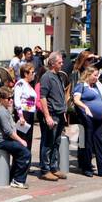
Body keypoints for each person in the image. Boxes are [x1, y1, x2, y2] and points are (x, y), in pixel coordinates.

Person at [72, 64, 102, 178]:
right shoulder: (81, 85)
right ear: (88, 74)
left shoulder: (95, 86)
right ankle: (86, 167)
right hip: (87, 118)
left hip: (98, 118)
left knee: (99, 143)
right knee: (88, 143)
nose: (97, 77)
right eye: (95, 75)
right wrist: (86, 107)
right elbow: (76, 100)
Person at [37, 52, 68, 181]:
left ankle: (54, 167)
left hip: (60, 114)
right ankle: (45, 169)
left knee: (56, 142)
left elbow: (60, 95)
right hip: (52, 114)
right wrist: (47, 116)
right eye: (60, 62)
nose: (62, 64)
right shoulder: (47, 77)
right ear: (53, 63)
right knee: (48, 142)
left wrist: (64, 113)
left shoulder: (59, 76)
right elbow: (43, 97)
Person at [0, 88, 31, 188]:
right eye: (8, 98)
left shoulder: (6, 110)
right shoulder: (2, 112)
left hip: (7, 139)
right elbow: (8, 132)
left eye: (12, 98)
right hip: (3, 141)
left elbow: (10, 127)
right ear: (1, 99)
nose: (11, 100)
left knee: (19, 153)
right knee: (25, 153)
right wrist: (21, 140)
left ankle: (12, 177)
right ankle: (18, 180)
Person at [12, 60, 38, 155]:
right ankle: (20, 166)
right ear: (25, 73)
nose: (33, 74)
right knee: (22, 139)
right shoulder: (20, 83)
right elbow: (17, 100)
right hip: (24, 114)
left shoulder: (29, 85)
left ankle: (26, 166)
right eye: (32, 72)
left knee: (28, 139)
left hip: (30, 114)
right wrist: (21, 116)